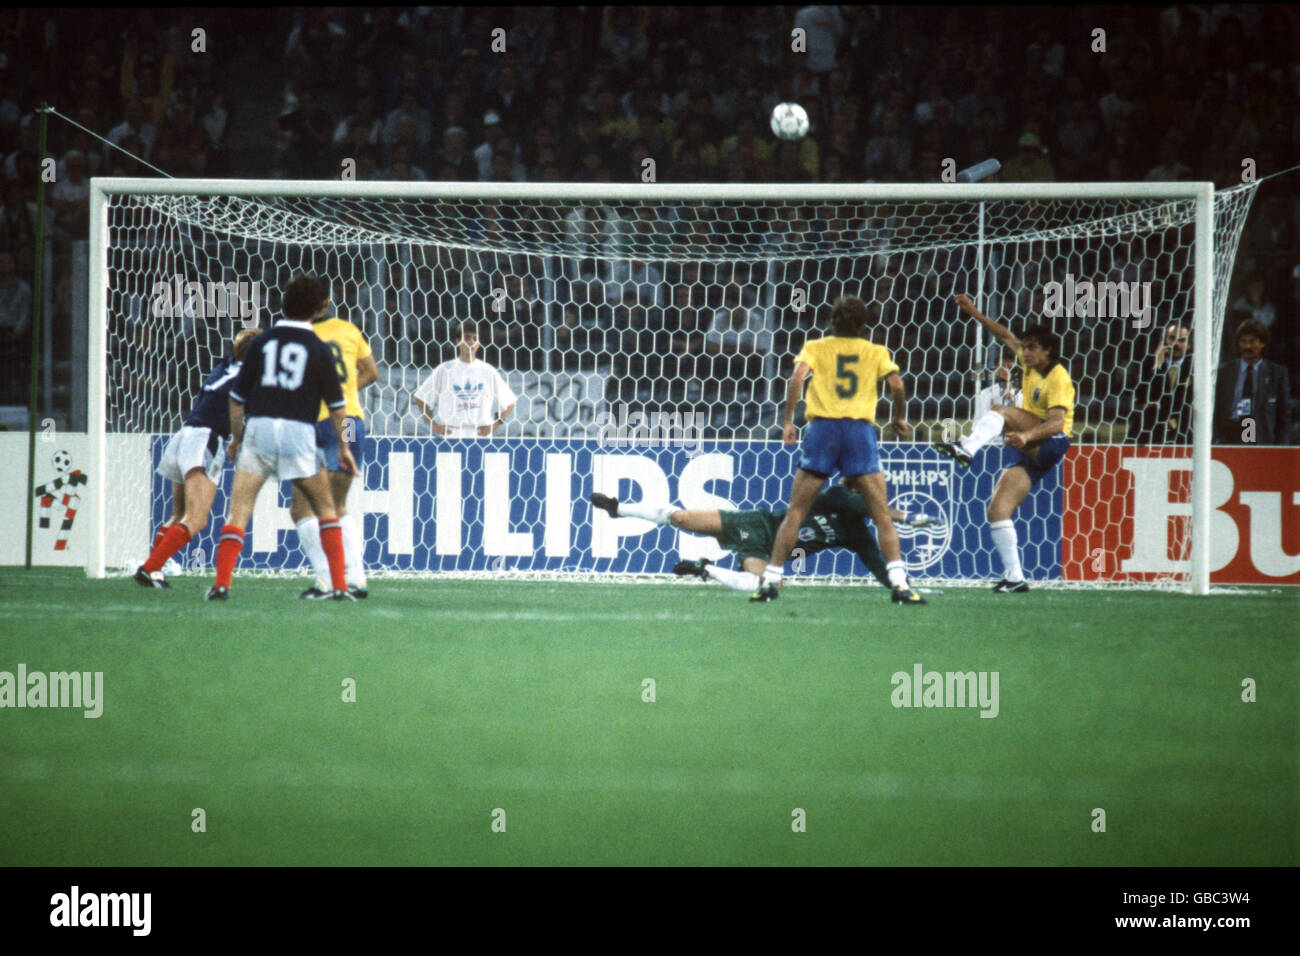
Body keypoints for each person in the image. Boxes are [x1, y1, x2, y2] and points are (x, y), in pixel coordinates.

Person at [753, 294, 924, 605]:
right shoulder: (875, 351)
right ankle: (900, 585)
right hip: (859, 431)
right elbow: (897, 386)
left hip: (823, 430)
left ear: (832, 321)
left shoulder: (816, 346)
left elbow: (796, 378)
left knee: (796, 511)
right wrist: (899, 417)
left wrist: (789, 420)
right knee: (881, 515)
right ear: (863, 325)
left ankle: (770, 581)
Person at [207, 275, 357, 601]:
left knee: (239, 511)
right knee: (326, 509)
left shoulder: (261, 342)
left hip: (259, 428)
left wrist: (237, 439)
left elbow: (236, 399)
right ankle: (340, 587)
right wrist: (344, 446)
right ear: (322, 308)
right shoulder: (318, 348)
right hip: (298, 432)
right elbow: (337, 407)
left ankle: (221, 584)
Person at [933, 294, 1075, 592]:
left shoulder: (1058, 377)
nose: (1025, 351)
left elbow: (1057, 423)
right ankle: (1015, 577)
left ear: (1048, 350)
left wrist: (1025, 436)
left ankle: (967, 448)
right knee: (997, 510)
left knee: (1000, 411)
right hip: (1036, 448)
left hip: (1052, 440)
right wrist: (973, 312)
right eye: (1024, 347)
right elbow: (1003, 334)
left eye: (1032, 347)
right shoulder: (1029, 363)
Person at [591, 484, 939, 593]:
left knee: (763, 586)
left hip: (770, 552)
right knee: (681, 517)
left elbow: (879, 565)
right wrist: (907, 517)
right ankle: (619, 509)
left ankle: (705, 569)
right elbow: (870, 508)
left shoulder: (858, 535)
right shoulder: (835, 496)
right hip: (758, 522)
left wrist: (901, 586)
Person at [133, 327, 261, 587]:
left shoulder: (225, 366)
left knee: (178, 513)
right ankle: (150, 567)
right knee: (196, 518)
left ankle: (157, 566)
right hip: (206, 439)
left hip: (184, 435)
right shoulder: (247, 377)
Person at [291, 306, 379, 599]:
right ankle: (356, 578)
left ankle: (327, 581)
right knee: (338, 505)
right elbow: (372, 371)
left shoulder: (300, 335)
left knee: (304, 508)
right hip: (350, 422)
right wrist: (344, 391)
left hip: (314, 423)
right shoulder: (349, 330)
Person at [412, 320, 518, 437]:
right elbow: (421, 398)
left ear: (479, 343)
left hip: (480, 436)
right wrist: (433, 425)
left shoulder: (488, 371)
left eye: (474, 338)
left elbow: (510, 402)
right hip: (452, 434)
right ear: (458, 341)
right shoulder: (445, 369)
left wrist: (495, 425)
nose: (471, 342)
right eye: (467, 338)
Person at [1213, 319, 1291, 445]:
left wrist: (1281, 448)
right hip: (1229, 436)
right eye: (1243, 341)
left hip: (1261, 437)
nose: (1247, 346)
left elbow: (1284, 415)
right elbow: (1216, 408)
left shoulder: (1277, 374)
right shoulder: (1225, 371)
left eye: (1252, 341)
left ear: (1262, 343)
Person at [1130, 323, 1192, 444]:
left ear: (1189, 345)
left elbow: (1185, 404)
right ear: (1164, 341)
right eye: (1172, 338)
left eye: (1182, 340)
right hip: (1148, 430)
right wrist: (1157, 366)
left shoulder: (1194, 369)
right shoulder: (1148, 363)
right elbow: (1142, 397)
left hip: (1182, 434)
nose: (1176, 344)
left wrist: (1158, 404)